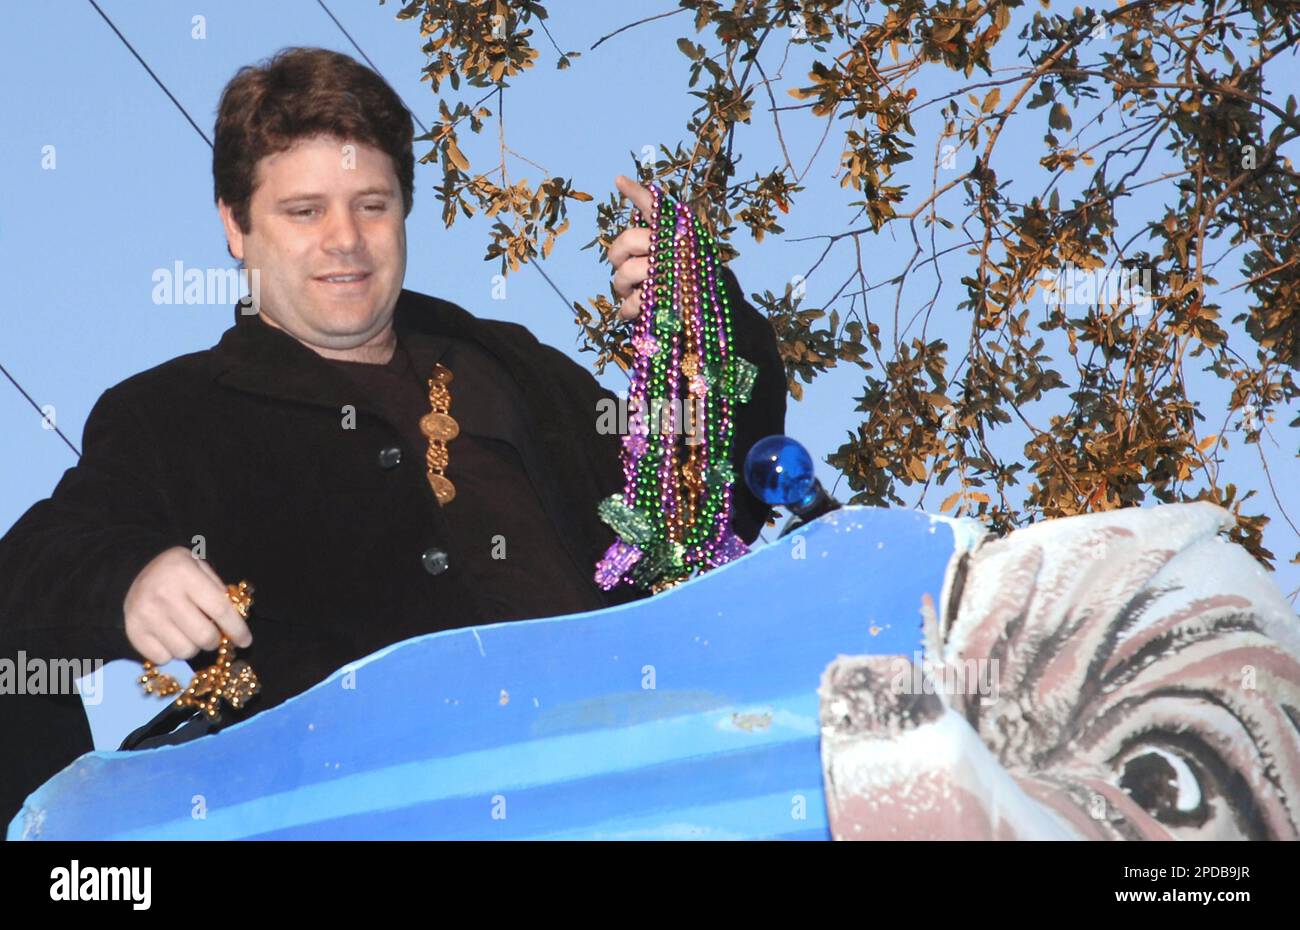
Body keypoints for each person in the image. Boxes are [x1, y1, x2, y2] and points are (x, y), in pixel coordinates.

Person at [0, 47, 786, 825]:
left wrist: (709, 329)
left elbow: (701, 512)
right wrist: (129, 578)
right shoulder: (172, 414)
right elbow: (29, 575)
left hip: (629, 787)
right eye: (304, 211)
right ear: (236, 228)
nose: (345, 239)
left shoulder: (514, 366)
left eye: (371, 204)